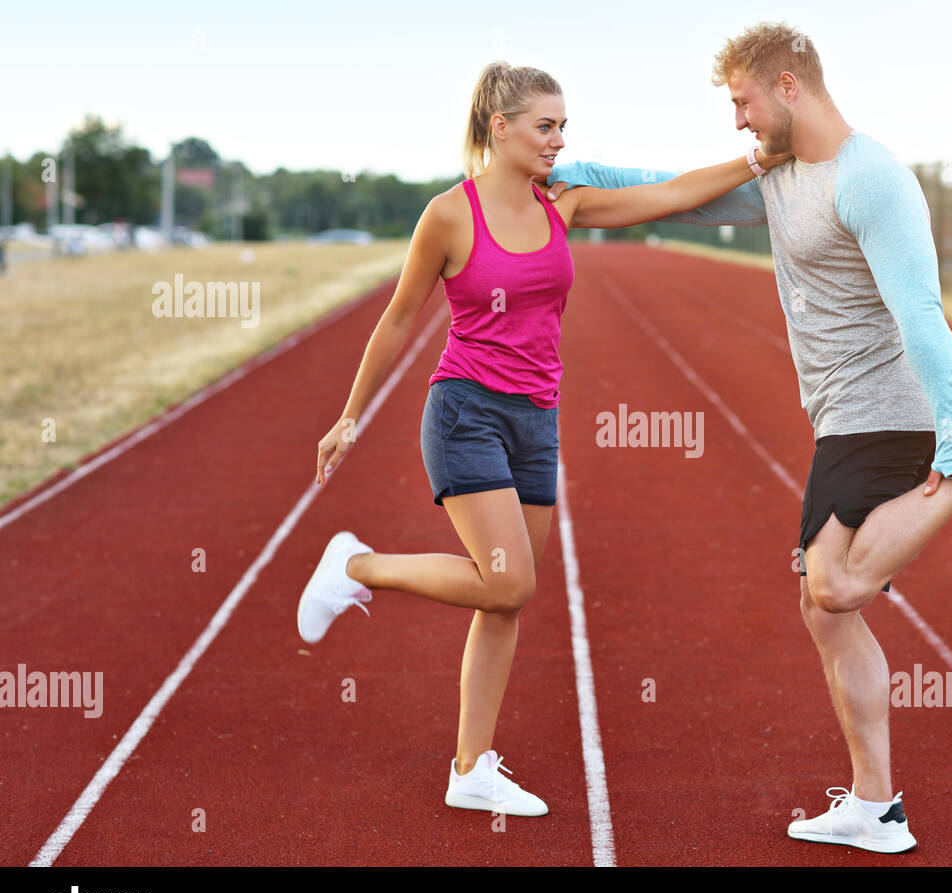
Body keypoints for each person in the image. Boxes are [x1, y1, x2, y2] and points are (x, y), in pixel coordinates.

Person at [543, 22, 952, 853]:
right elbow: (677, 192)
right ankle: (875, 808)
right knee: (822, 607)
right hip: (842, 416)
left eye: (742, 101)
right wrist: (573, 178)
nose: (736, 120)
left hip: (884, 411)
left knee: (834, 587)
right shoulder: (783, 176)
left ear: (787, 86)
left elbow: (920, 310)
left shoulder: (872, 180)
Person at [296, 61, 791, 819]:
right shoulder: (449, 216)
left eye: (564, 126)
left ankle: (470, 768)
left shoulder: (563, 206)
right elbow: (399, 316)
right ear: (501, 128)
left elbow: (671, 194)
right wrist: (346, 416)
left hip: (536, 421)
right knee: (509, 582)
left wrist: (757, 159)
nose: (561, 140)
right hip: (465, 412)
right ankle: (357, 564)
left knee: (503, 604)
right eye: (546, 126)